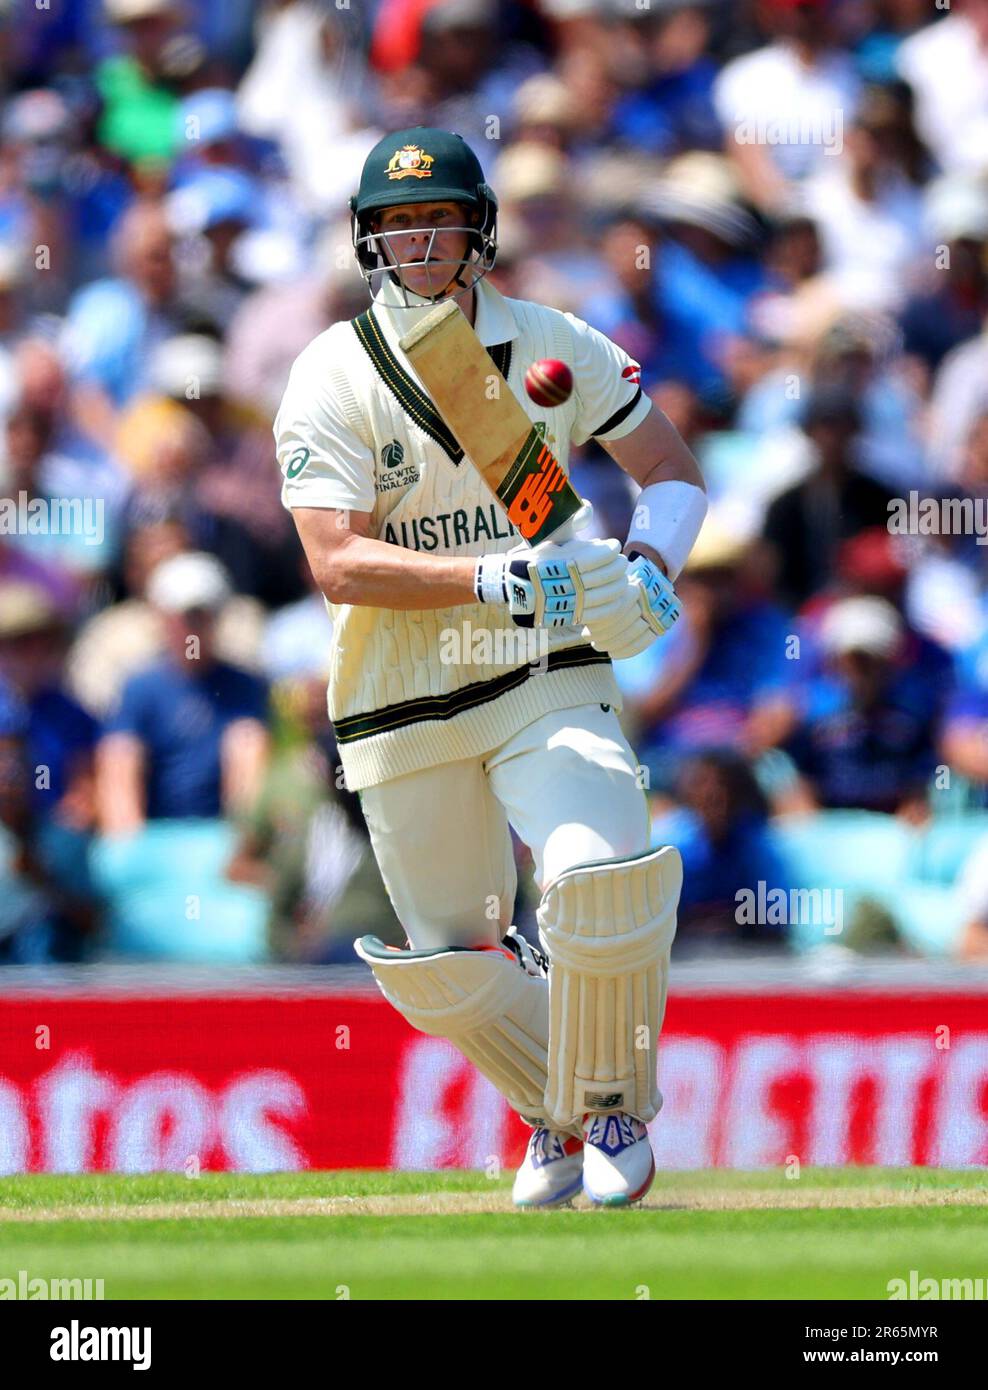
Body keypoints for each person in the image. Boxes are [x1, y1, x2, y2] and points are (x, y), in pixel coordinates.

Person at [274, 127, 707, 1207]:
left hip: (542, 670)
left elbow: (670, 469)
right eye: (396, 224)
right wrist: (493, 577)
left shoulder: (554, 342)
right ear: (369, 240)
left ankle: (606, 1103)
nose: (418, 241)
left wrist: (653, 565)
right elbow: (335, 561)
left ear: (478, 232)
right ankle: (550, 1114)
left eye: (438, 220)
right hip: (399, 699)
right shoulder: (333, 371)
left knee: (597, 875)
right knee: (451, 966)